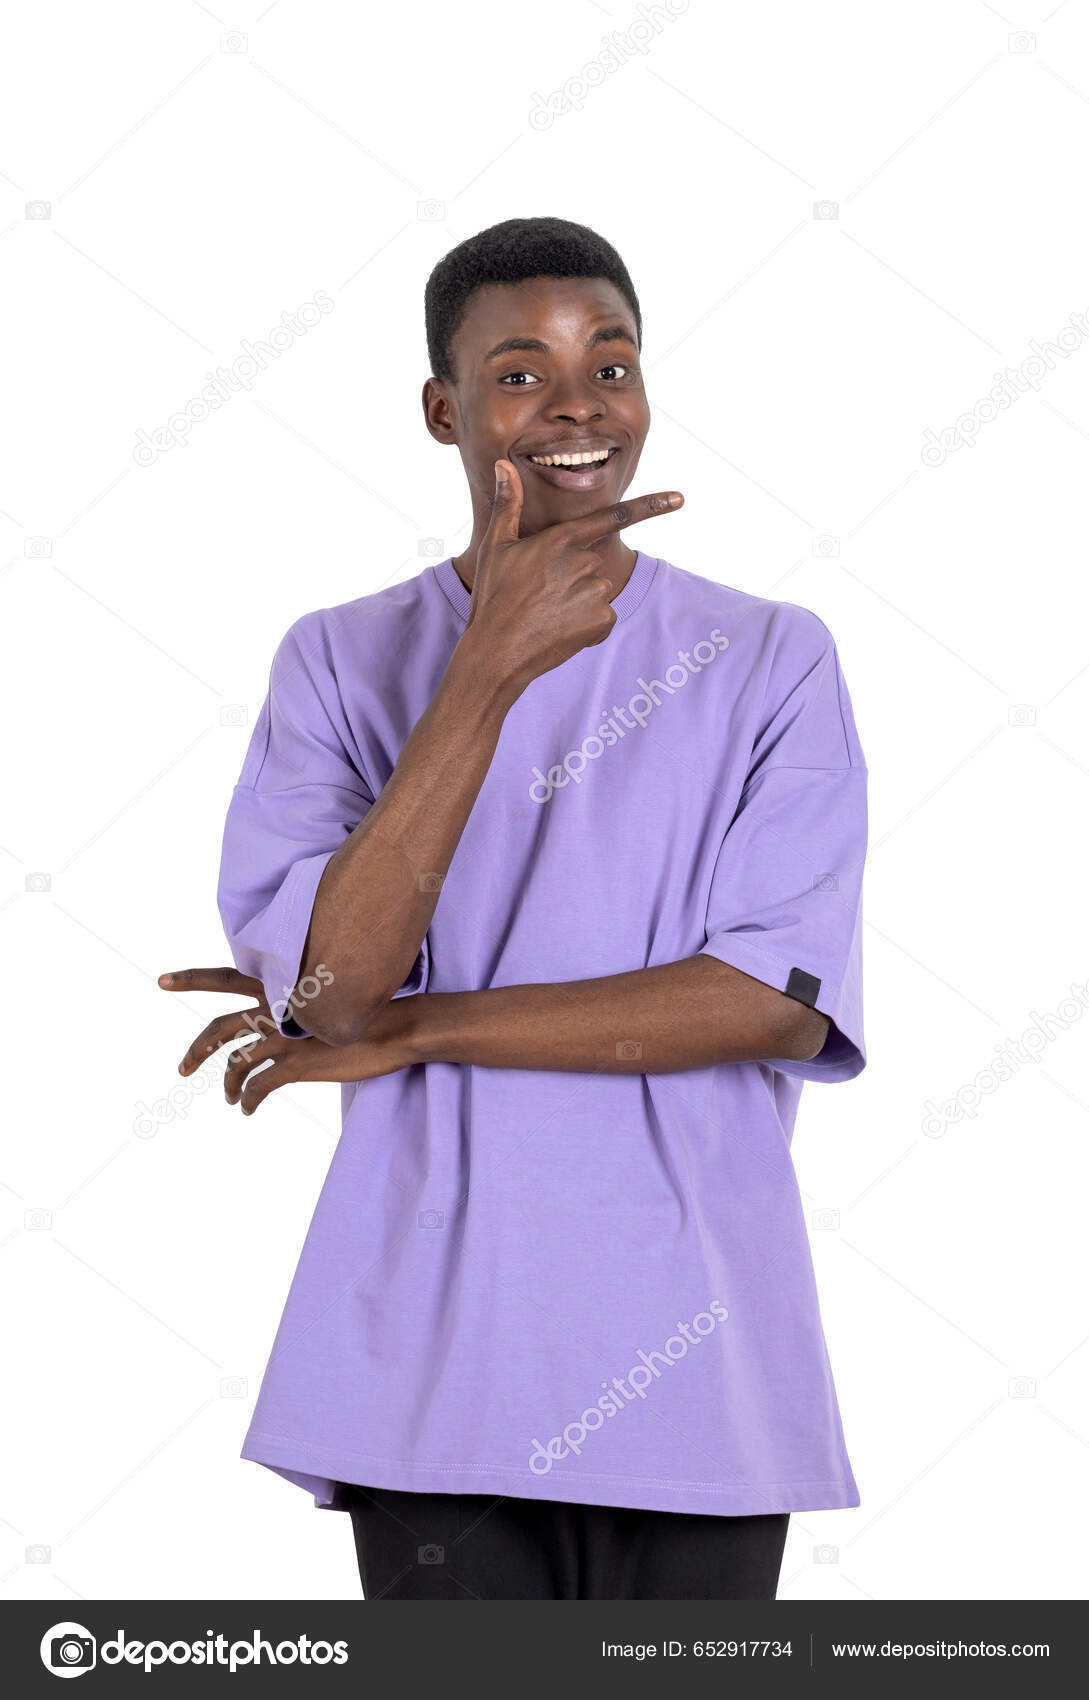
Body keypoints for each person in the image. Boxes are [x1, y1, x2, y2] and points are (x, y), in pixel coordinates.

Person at [159, 216, 868, 1601]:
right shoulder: (339, 661)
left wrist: (421, 1028)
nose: (576, 408)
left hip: (696, 1357)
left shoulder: (770, 657)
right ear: (444, 409)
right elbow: (329, 998)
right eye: (520, 375)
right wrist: (482, 671)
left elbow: (765, 1001)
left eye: (609, 365)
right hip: (430, 1360)